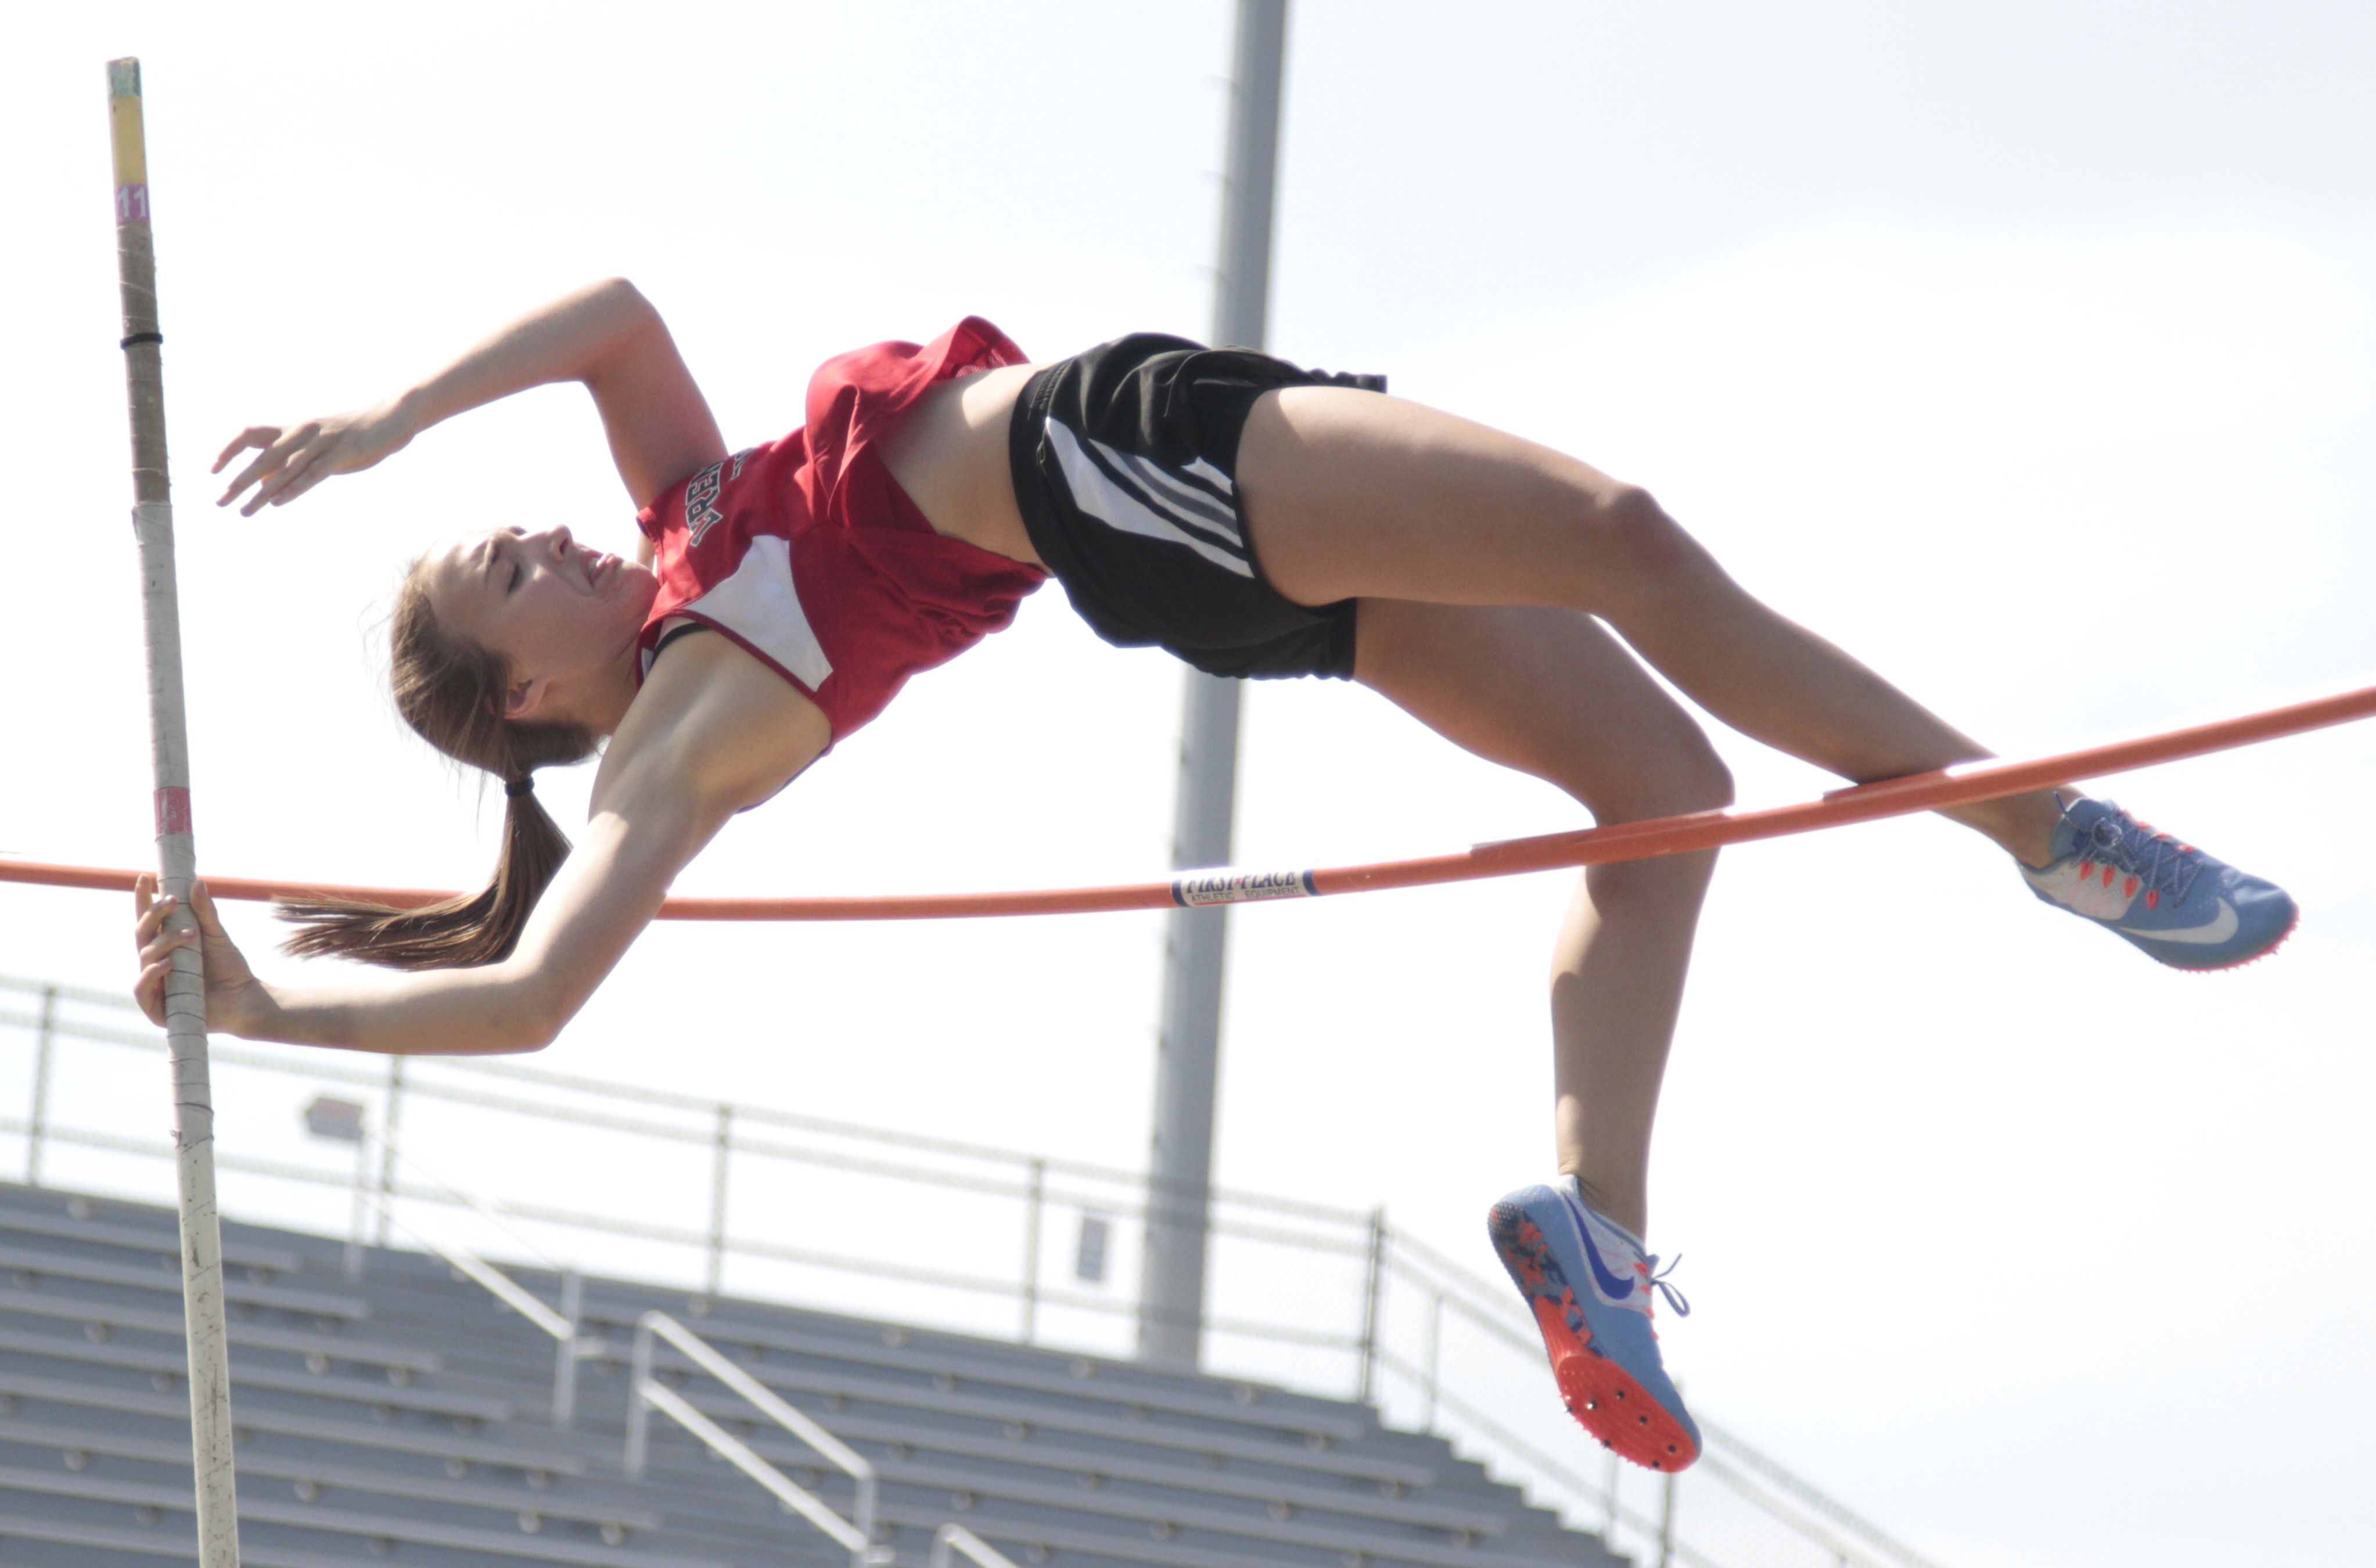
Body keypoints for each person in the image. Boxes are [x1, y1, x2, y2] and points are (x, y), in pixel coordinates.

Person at [131, 278, 2295, 1472]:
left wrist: (387, 420)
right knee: (1633, 538)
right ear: (535, 701)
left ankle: (1597, 1229)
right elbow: (531, 997)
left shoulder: (689, 527)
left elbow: (608, 311)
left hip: (1156, 542)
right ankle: (2036, 827)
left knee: (1653, 787)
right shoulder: (687, 723)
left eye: (527, 522)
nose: (559, 535)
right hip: (1114, 456)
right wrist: (258, 1009)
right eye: (520, 574)